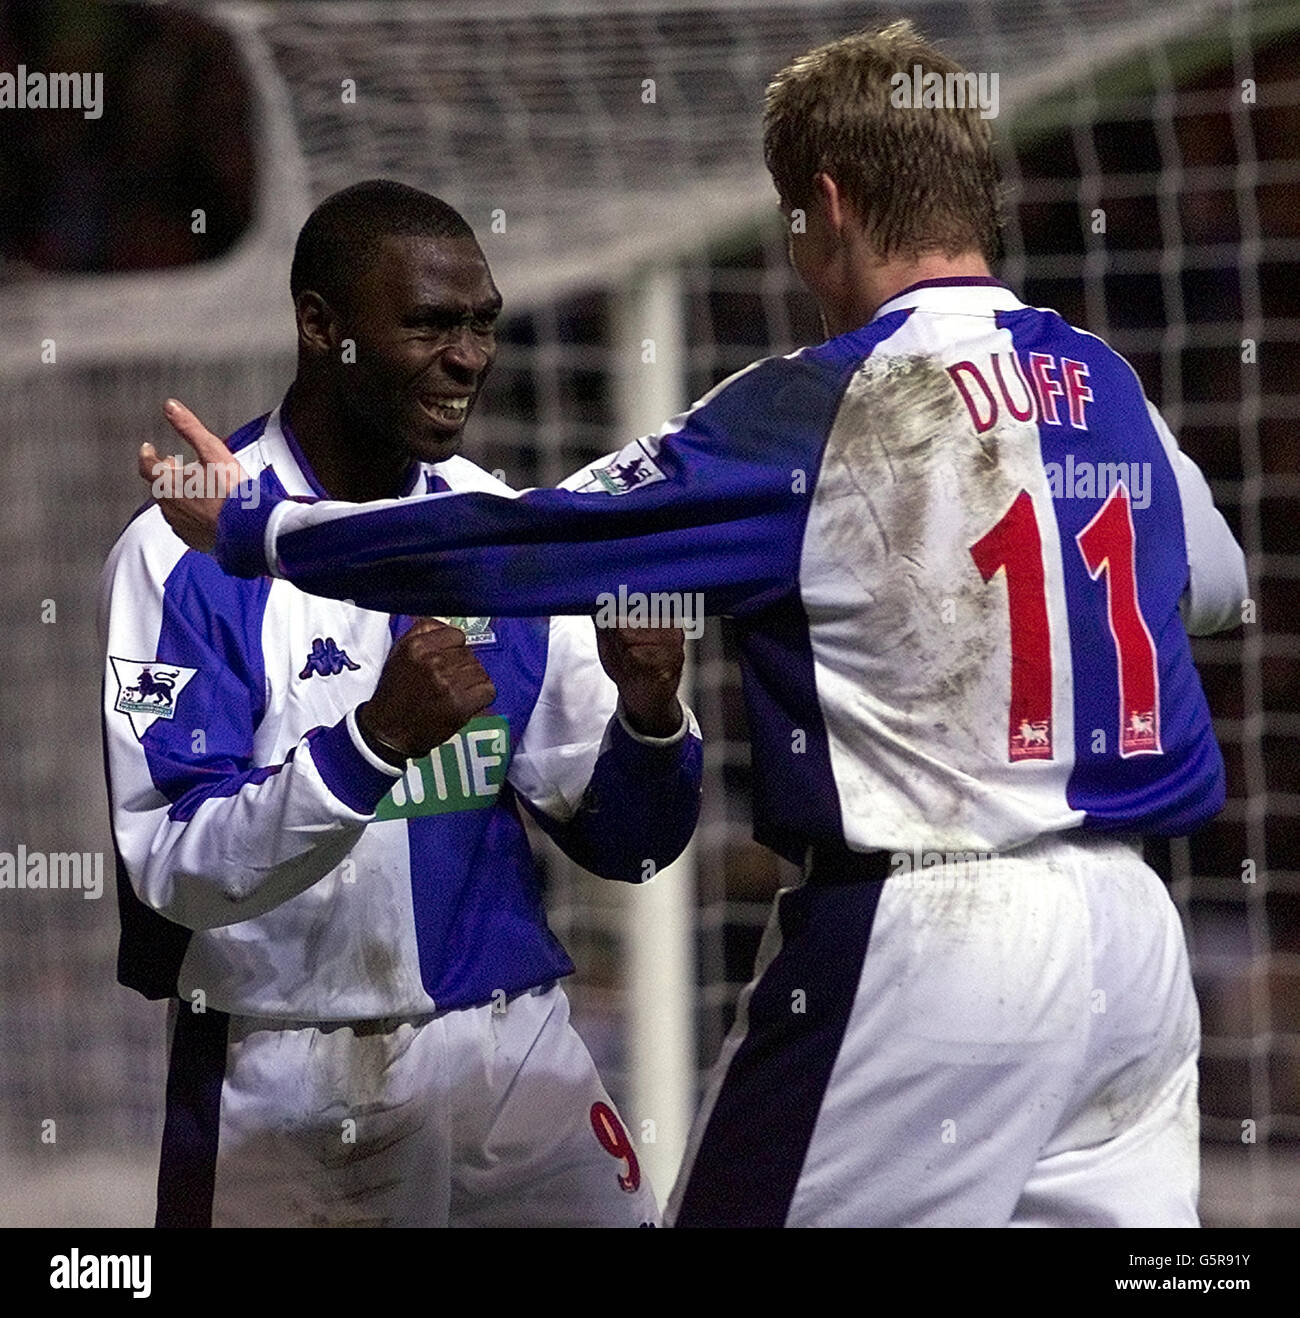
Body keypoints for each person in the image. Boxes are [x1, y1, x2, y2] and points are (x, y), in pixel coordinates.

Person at [141, 23, 1247, 1227]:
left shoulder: (813, 408)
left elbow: (532, 546)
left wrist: (261, 531)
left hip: (936, 930)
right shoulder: (1108, 387)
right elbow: (1213, 582)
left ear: (825, 203)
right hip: (1134, 943)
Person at [102, 180, 702, 1228]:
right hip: (285, 1077)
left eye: (481, 325)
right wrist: (372, 743)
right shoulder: (179, 547)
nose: (467, 357)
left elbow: (631, 846)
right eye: (428, 324)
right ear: (321, 326)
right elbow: (172, 869)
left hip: (512, 1055)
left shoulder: (499, 532)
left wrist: (651, 715)